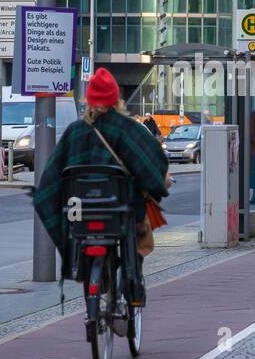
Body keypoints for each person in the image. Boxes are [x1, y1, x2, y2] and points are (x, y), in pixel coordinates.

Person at [33, 68, 169, 305]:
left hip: (80, 213)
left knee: (76, 230)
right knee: (142, 230)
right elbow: (152, 165)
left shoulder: (74, 132)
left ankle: (85, 271)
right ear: (117, 99)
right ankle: (132, 278)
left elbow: (49, 181)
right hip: (120, 211)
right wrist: (158, 184)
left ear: (89, 100)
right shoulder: (129, 129)